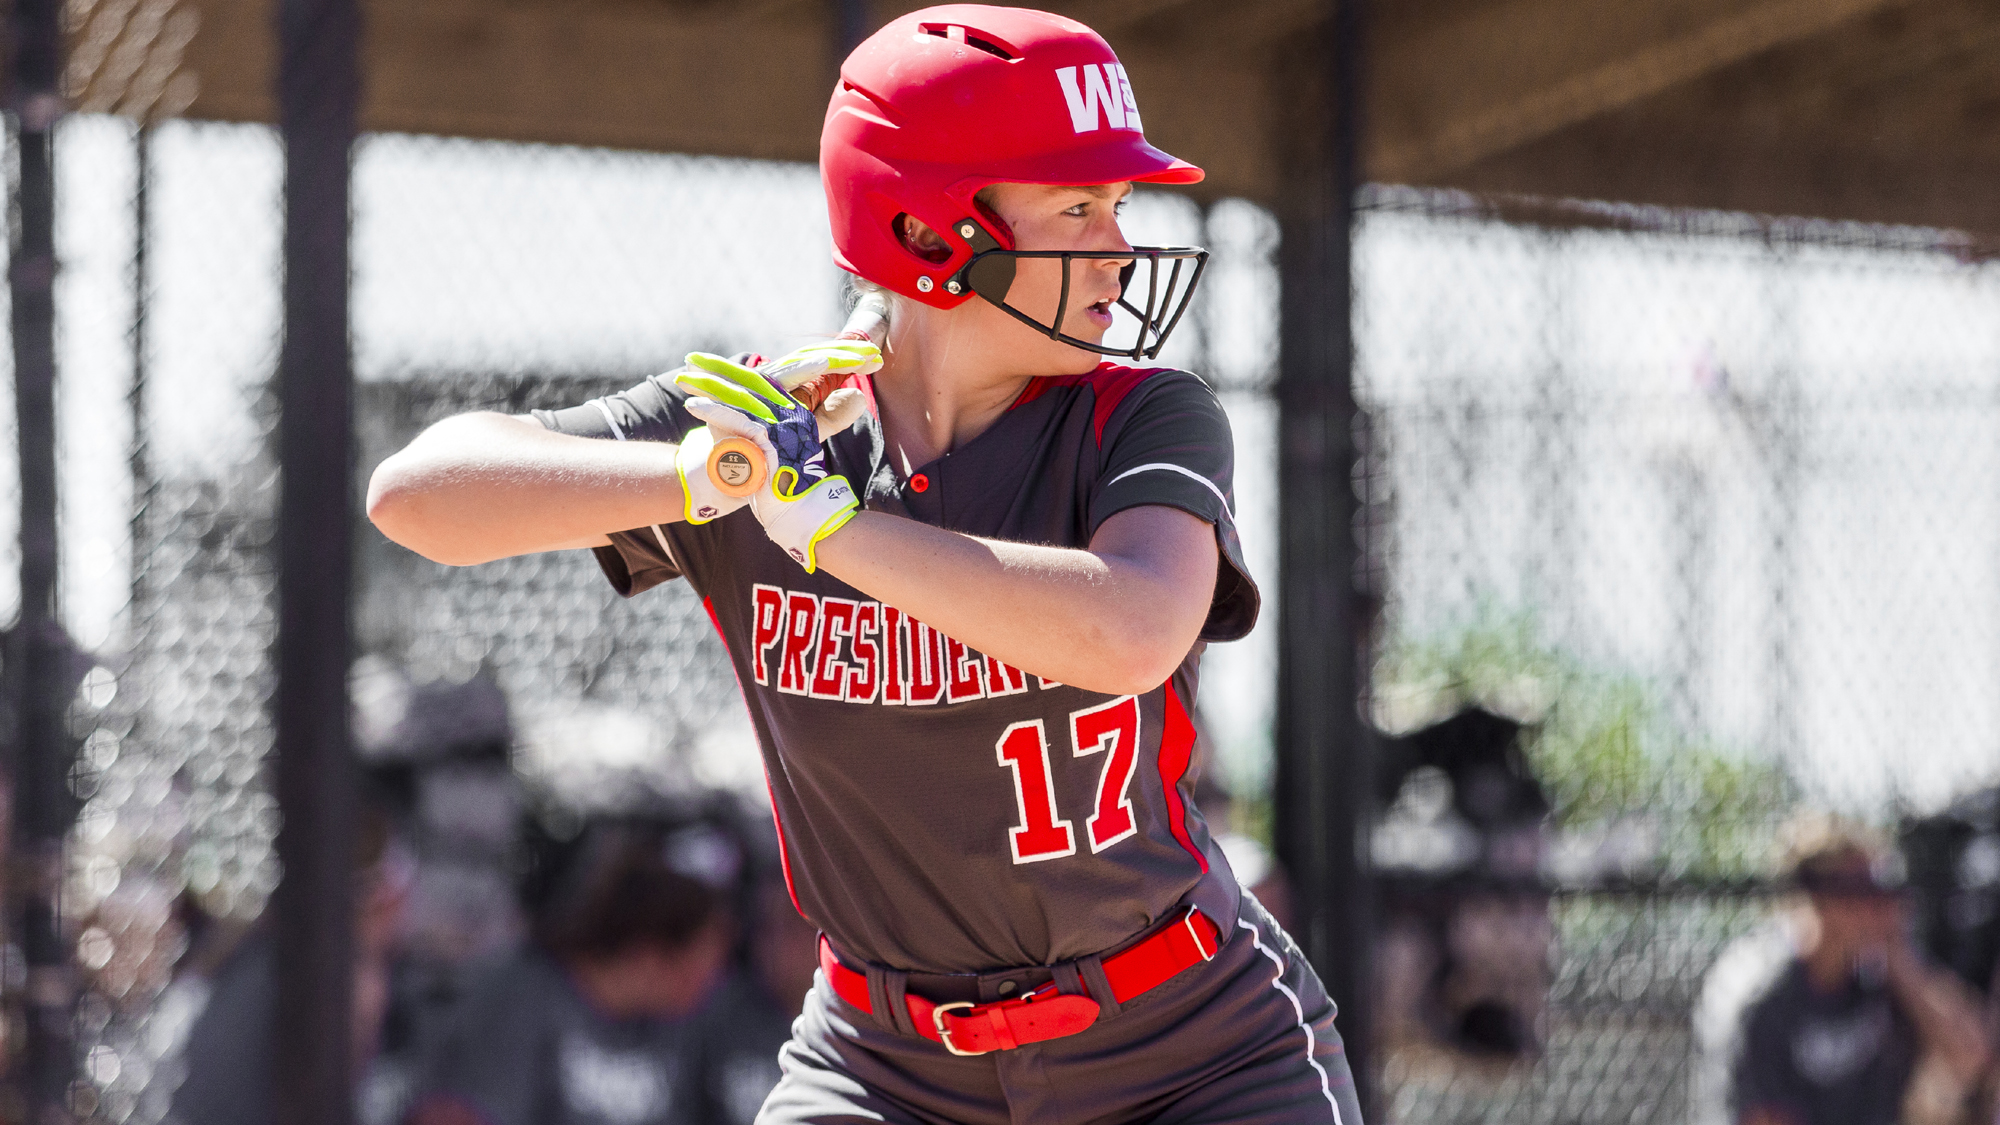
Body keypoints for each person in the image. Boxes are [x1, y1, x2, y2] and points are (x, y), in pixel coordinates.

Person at [368, 6, 1361, 1123]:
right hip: (888, 1064)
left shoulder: (1140, 417)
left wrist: (834, 532)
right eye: (1078, 206)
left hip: (1186, 1047)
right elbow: (416, 497)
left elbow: (1131, 629)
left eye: (1117, 204)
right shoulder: (769, 430)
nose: (1118, 247)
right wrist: (699, 480)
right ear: (934, 235)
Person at [404, 814, 738, 1125]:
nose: (716, 978)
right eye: (709, 957)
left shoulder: (674, 1030)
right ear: (649, 952)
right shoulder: (524, 996)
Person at [1699, 818, 1991, 1125]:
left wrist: (1901, 960)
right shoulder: (1762, 992)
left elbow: (1970, 1055)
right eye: (1861, 887)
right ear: (1821, 898)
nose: (1879, 901)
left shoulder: (1878, 980)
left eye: (1880, 885)